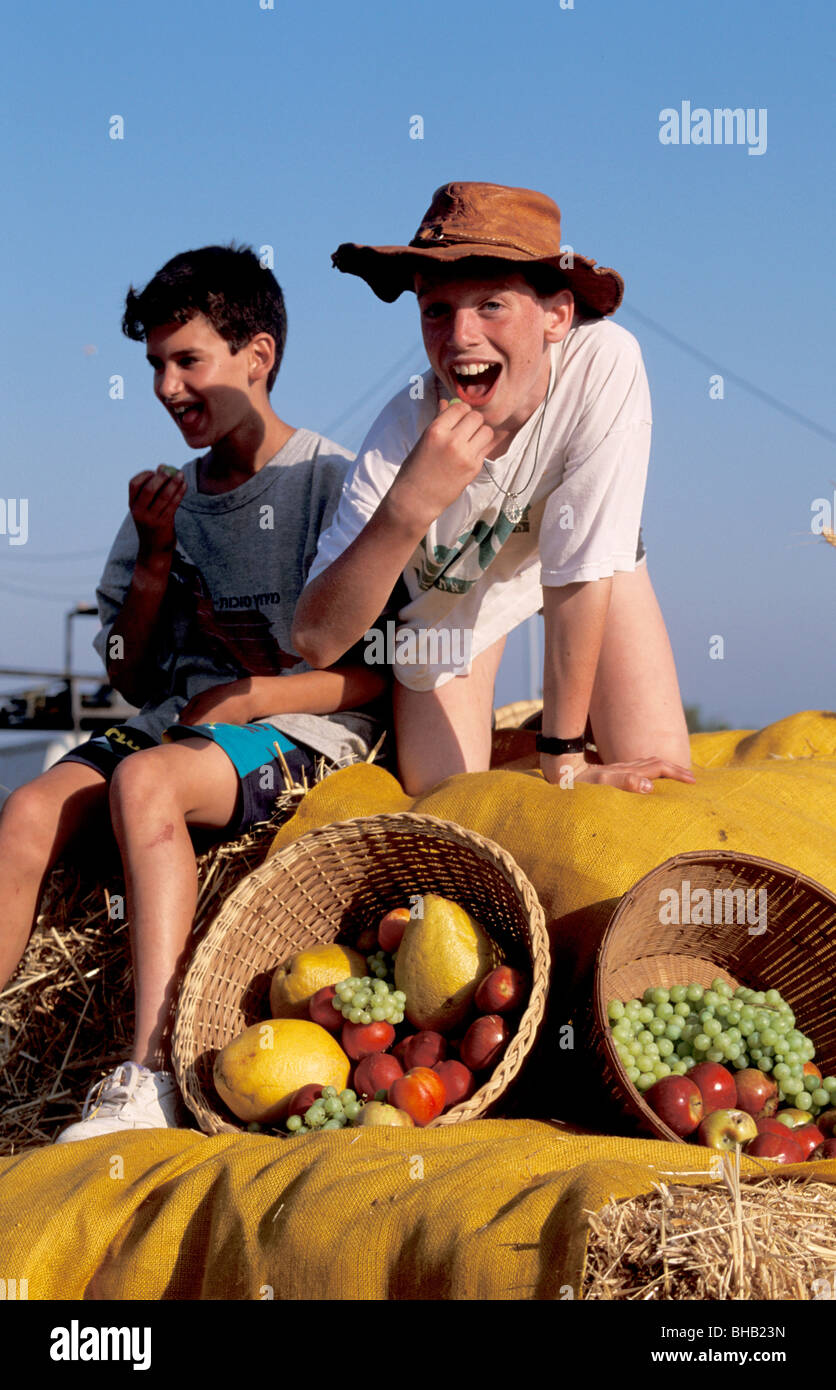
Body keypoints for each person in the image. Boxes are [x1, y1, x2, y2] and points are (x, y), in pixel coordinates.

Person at [0, 245, 386, 1141]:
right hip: (179, 724)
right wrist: (154, 562)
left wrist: (255, 697)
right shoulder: (165, 501)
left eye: (189, 362)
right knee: (23, 811)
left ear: (258, 356)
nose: (169, 388)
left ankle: (149, 1074)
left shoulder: (333, 484)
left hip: (306, 730)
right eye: (155, 368)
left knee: (147, 784)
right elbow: (128, 677)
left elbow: (387, 671)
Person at [292, 182, 696, 798]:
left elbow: (583, 568)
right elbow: (316, 639)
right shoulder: (401, 435)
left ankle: (555, 733)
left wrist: (562, 758)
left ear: (557, 316)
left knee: (658, 780)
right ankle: (521, 745)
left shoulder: (603, 363)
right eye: (437, 309)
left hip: (582, 564)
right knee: (452, 806)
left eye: (491, 305)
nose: (461, 336)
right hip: (452, 603)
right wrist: (410, 505)